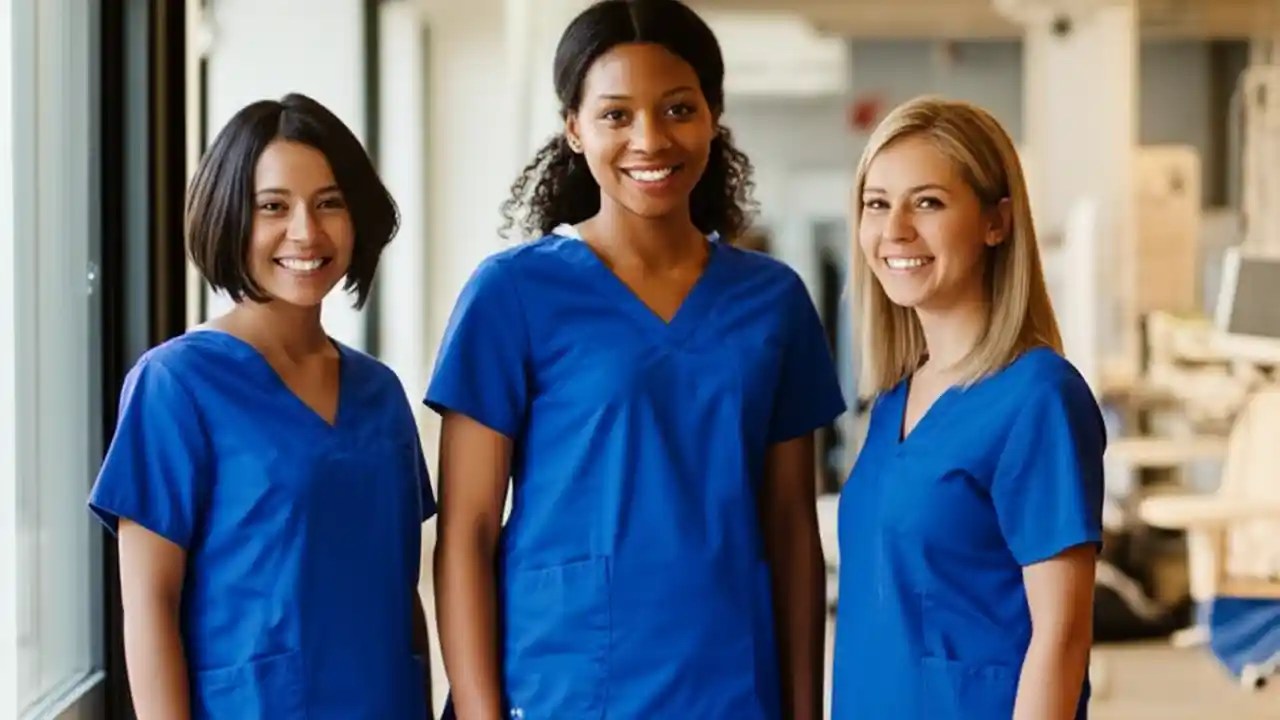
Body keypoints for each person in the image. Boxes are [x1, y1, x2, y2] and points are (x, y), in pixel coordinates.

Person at [426, 1, 846, 718]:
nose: (650, 138)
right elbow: (465, 530)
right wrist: (478, 709)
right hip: (562, 687)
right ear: (573, 128)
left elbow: (791, 526)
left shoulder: (771, 302)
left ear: (713, 115)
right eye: (616, 114)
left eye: (678, 108)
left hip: (730, 689)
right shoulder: (513, 294)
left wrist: (803, 710)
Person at [87, 93, 436, 720]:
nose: (306, 231)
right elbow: (149, 610)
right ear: (229, 218)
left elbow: (400, 593)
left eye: (329, 203)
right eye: (272, 207)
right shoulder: (176, 386)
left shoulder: (379, 393)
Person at [830, 95, 1105, 720]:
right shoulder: (894, 403)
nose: (895, 229)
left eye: (927, 202)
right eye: (877, 203)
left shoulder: (1037, 397)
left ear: (996, 221)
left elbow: (1060, 640)